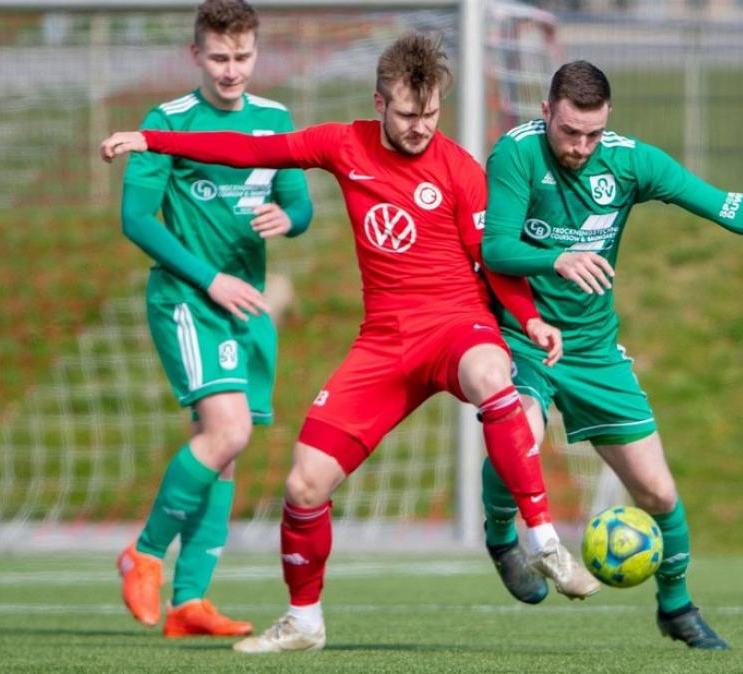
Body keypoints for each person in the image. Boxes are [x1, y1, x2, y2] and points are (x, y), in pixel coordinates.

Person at [100, 34, 600, 654]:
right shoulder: (345, 144)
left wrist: (528, 320)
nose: (420, 128)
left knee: (492, 375)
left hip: (454, 326)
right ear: (379, 104)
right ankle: (304, 621)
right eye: (407, 115)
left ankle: (543, 539)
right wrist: (152, 140)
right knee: (304, 485)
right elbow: (248, 149)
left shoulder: (459, 169)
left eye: (431, 115)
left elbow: (493, 262)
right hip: (385, 342)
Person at [478, 60, 743, 650]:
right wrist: (554, 259)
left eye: (593, 133)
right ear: (546, 112)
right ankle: (503, 536)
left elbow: (723, 205)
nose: (580, 146)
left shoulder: (630, 161)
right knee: (518, 428)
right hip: (525, 335)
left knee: (657, 493)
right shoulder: (516, 154)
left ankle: (676, 607)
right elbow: (495, 246)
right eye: (569, 131)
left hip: (596, 348)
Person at [112, 0, 314, 638]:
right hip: (187, 298)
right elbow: (137, 219)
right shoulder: (167, 122)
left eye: (243, 57)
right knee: (226, 433)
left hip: (244, 305)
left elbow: (298, 201)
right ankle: (143, 555)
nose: (232, 71)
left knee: (225, 453)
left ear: (258, 53)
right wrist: (211, 279)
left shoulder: (274, 120)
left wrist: (290, 219)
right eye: (220, 58)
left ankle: (189, 602)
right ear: (194, 55)